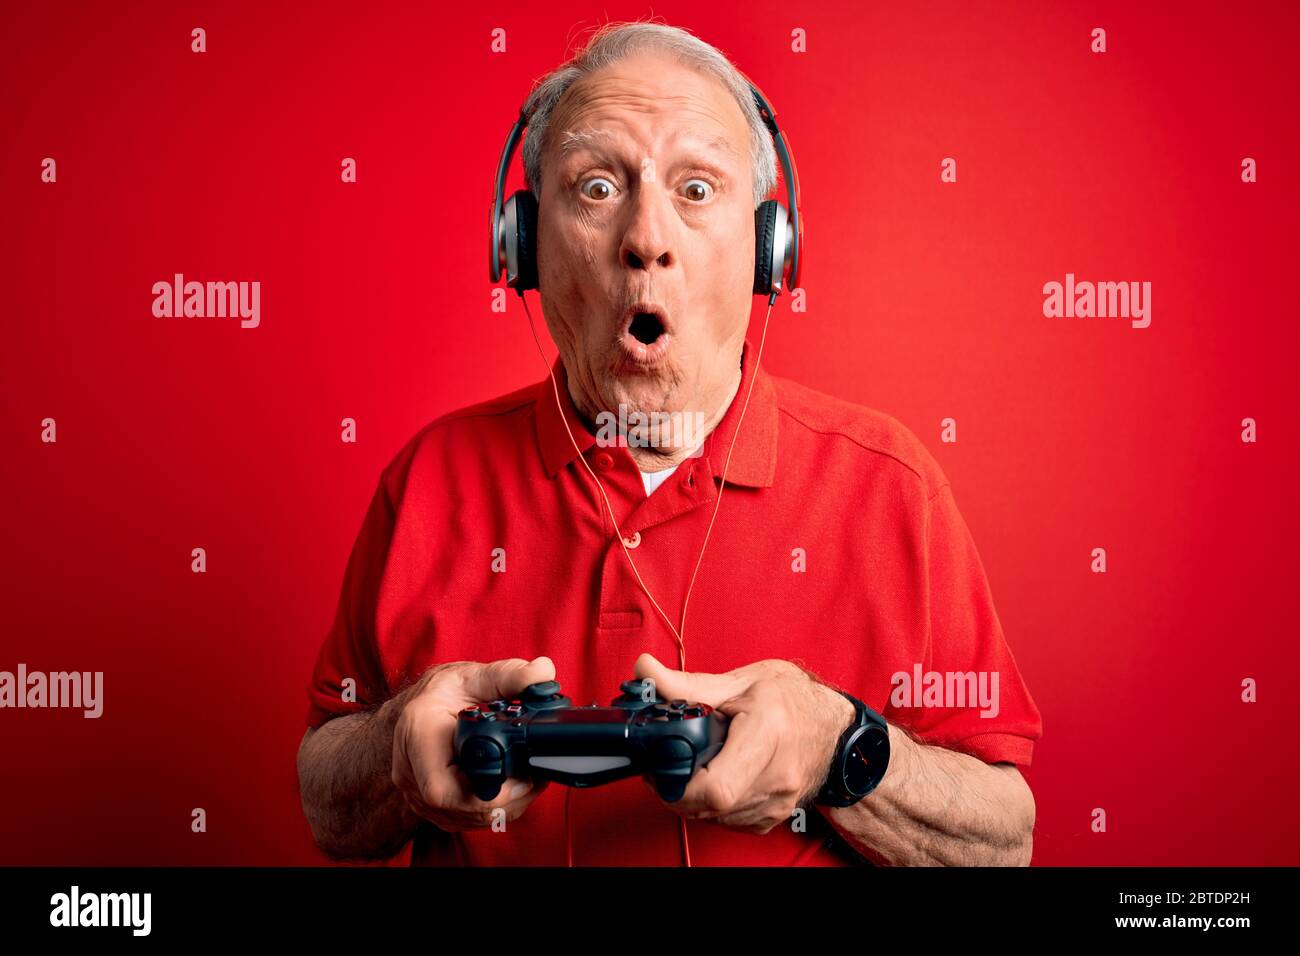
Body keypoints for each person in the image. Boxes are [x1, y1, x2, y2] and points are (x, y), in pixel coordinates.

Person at [296, 21, 1042, 867]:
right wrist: (396, 750)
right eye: (597, 187)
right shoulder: (428, 482)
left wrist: (842, 750)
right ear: (524, 244)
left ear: (770, 251)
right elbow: (328, 799)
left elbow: (1003, 843)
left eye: (696, 189)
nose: (646, 239)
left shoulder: (892, 488)